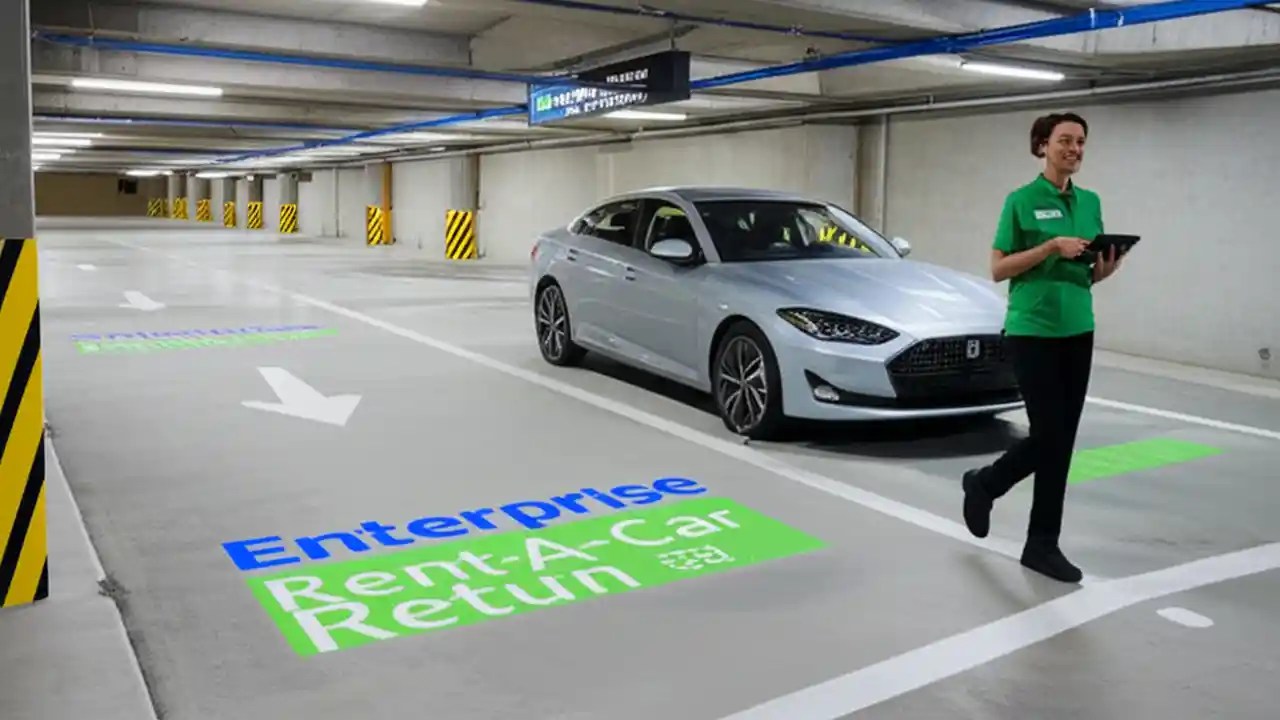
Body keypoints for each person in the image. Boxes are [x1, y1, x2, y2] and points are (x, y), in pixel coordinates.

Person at [961, 111, 1125, 583]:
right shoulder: (1021, 201)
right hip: (1032, 331)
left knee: (1062, 442)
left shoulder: (1091, 202)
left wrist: (1107, 266)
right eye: (1065, 141)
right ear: (1042, 146)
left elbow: (1089, 273)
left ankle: (1041, 544)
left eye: (1081, 142)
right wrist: (1051, 246)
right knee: (1049, 435)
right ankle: (985, 484)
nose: (1075, 149)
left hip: (1078, 328)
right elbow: (998, 268)